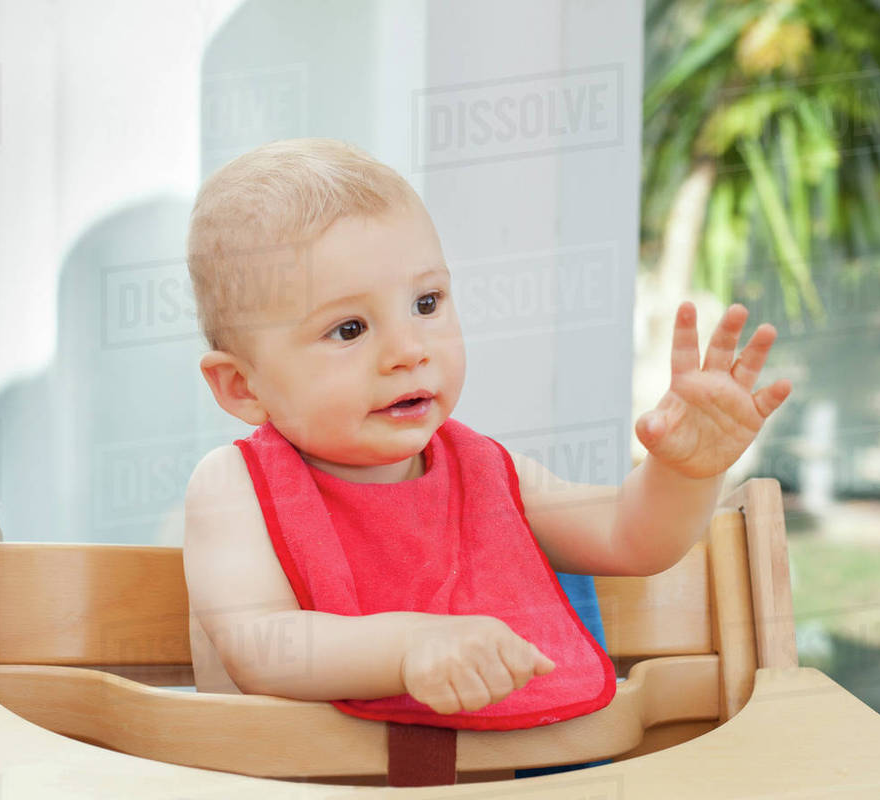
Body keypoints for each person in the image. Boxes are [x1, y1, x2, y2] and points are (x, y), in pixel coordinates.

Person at [180, 137, 792, 762]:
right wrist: (408, 647)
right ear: (241, 386)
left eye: (426, 303)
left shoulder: (489, 476)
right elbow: (261, 646)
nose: (409, 349)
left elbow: (629, 535)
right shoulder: (234, 486)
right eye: (349, 329)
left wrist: (685, 472)